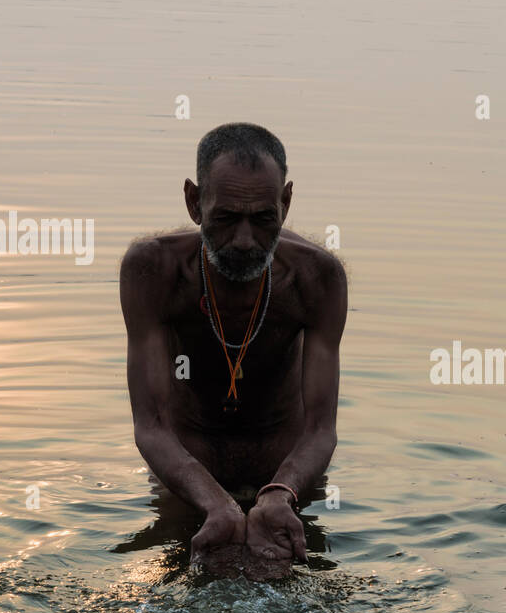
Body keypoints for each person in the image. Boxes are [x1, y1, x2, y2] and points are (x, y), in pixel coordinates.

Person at [120, 122, 347, 578]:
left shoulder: (317, 278)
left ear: (285, 203)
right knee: (184, 591)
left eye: (263, 219)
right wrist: (214, 504)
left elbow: (321, 428)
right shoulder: (155, 271)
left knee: (295, 609)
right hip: (187, 479)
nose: (244, 241)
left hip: (287, 479)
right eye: (225, 219)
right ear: (193, 202)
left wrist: (281, 493)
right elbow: (152, 425)